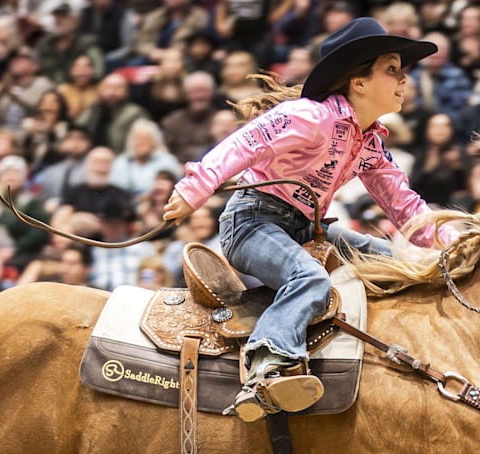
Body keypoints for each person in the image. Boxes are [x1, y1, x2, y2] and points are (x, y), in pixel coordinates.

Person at [164, 17, 456, 422]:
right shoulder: (310, 117)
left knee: (394, 263)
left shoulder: (369, 143)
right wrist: (193, 190)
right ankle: (266, 363)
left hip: (307, 228)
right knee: (310, 280)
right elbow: (246, 142)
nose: (404, 79)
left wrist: (456, 244)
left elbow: (405, 205)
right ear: (359, 82)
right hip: (252, 223)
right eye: (392, 69)